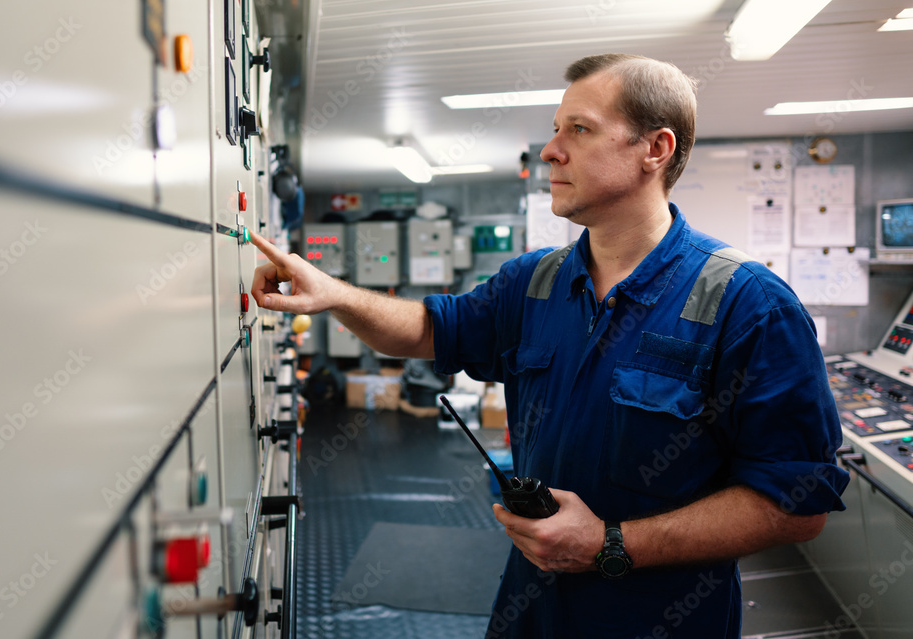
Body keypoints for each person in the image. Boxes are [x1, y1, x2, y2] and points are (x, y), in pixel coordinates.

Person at [249, 53, 849, 638]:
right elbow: (431, 330)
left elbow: (795, 504)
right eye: (555, 129)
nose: (549, 150)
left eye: (579, 130)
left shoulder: (750, 305)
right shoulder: (533, 282)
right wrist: (334, 294)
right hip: (529, 607)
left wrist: (610, 545)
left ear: (654, 149)